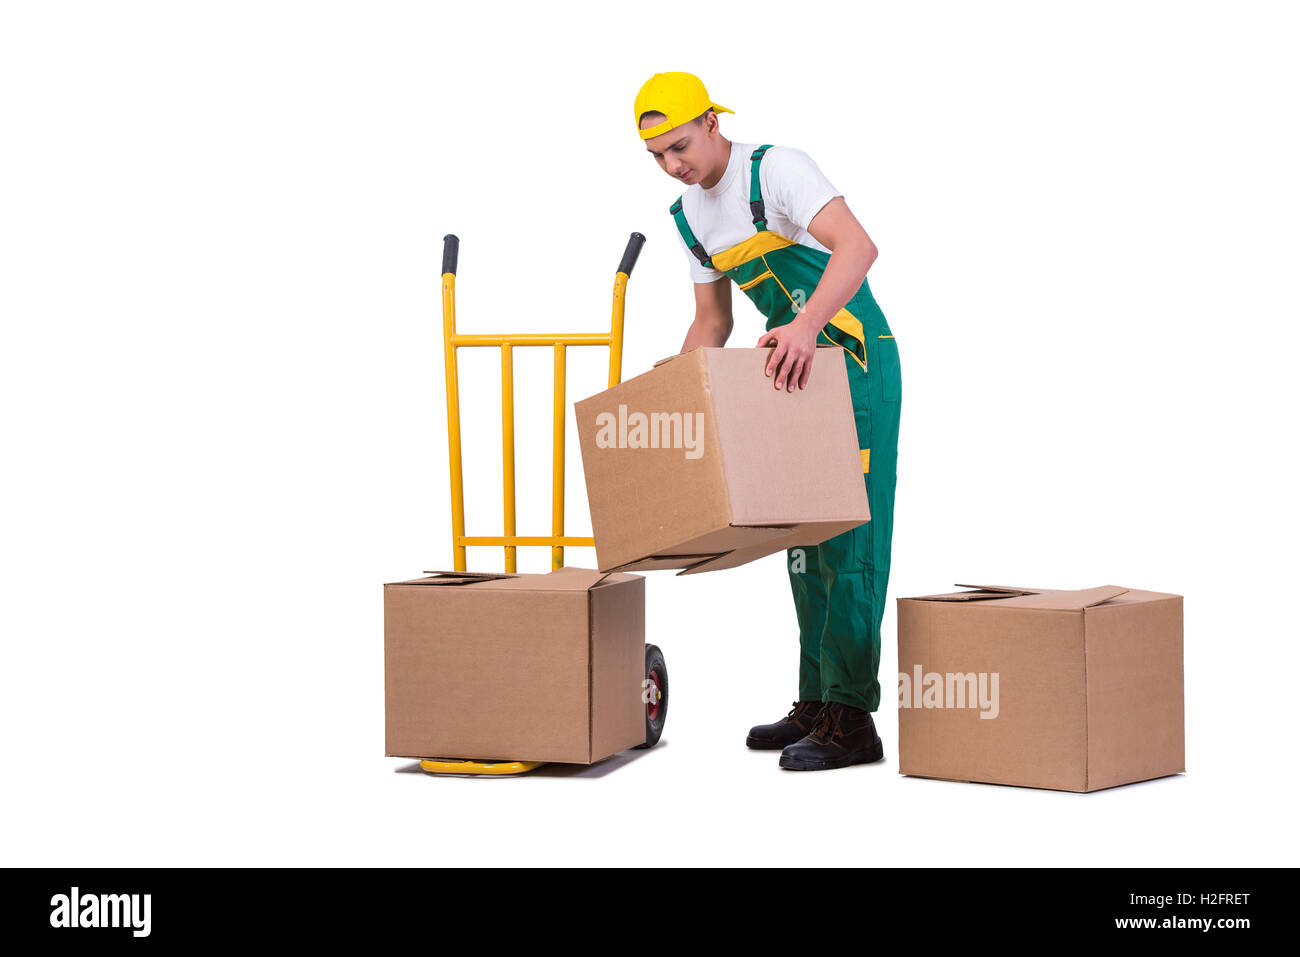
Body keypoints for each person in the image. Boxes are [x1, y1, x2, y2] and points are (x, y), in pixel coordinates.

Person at [633, 71, 902, 771]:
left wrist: (806, 325)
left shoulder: (776, 169)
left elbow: (858, 247)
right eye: (657, 155)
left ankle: (853, 717)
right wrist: (680, 389)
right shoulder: (690, 216)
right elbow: (712, 320)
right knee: (802, 539)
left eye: (680, 145)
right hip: (789, 369)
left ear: (713, 123)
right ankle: (817, 700)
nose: (672, 164)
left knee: (851, 535)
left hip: (852, 359)